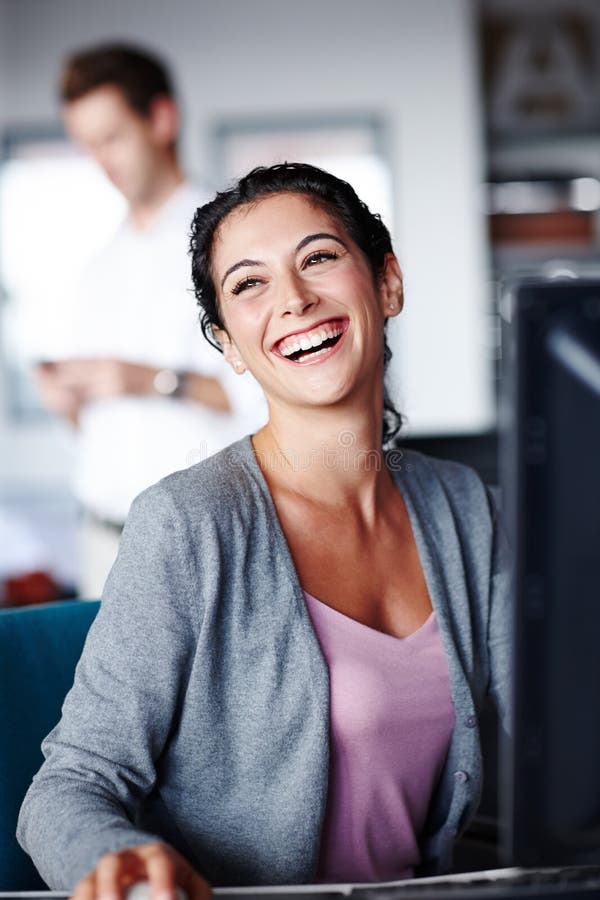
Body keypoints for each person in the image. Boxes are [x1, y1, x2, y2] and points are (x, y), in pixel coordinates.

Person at [18, 163, 511, 897]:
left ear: (387, 283)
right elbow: (70, 786)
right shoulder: (188, 524)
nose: (294, 299)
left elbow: (556, 738)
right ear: (229, 346)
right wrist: (114, 861)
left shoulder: (469, 507)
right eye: (250, 284)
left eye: (318, 258)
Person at [35, 43, 264, 597]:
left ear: (161, 119)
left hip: (201, 541)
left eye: (111, 138)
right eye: (87, 145)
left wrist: (150, 381)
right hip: (101, 541)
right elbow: (93, 429)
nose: (100, 162)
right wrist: (68, 404)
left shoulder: (236, 240)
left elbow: (269, 393)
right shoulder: (96, 265)